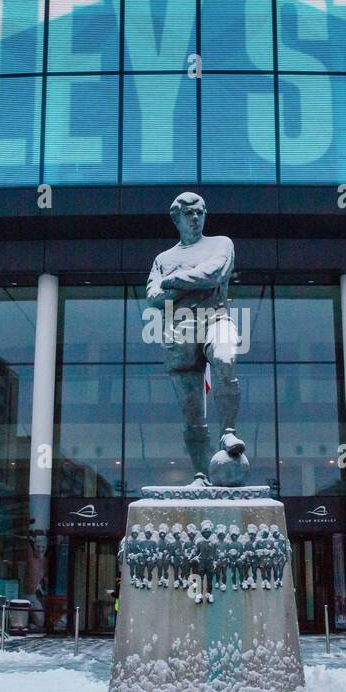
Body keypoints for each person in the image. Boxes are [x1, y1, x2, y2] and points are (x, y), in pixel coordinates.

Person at [146, 192, 245, 483]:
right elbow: (153, 296)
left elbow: (214, 274)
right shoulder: (163, 258)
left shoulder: (221, 244)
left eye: (200, 212)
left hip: (216, 318)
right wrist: (191, 280)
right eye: (189, 213)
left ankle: (228, 433)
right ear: (177, 219)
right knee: (192, 413)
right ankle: (202, 473)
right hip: (179, 331)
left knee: (226, 359)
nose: (196, 218)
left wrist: (174, 280)